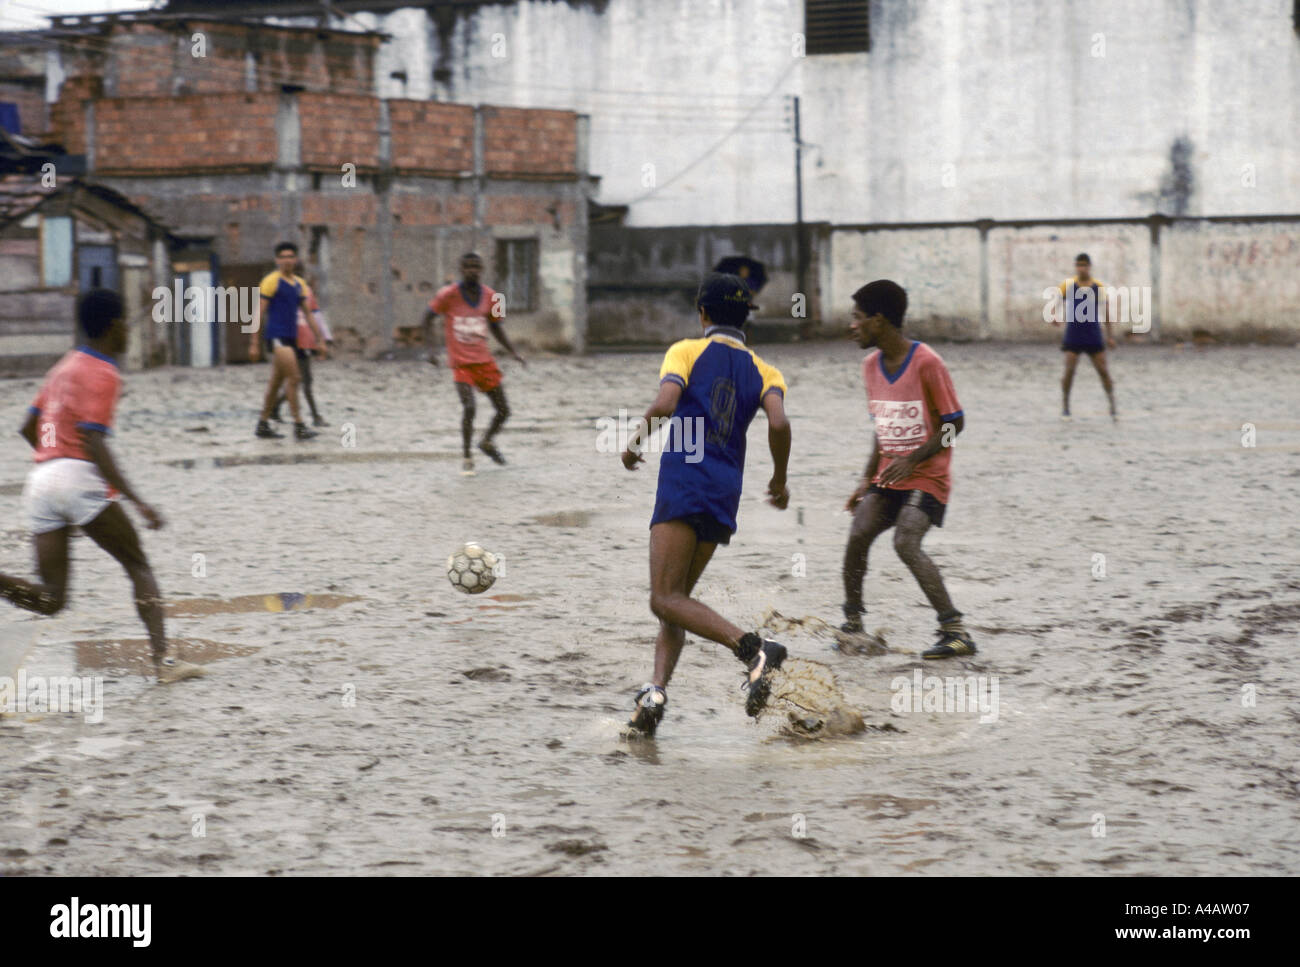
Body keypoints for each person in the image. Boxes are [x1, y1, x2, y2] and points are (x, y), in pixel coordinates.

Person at [0, 289, 204, 683]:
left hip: (41, 481)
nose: (129, 329)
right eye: (126, 321)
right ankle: (165, 663)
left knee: (51, 599)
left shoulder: (62, 367)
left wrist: (55, 465)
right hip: (77, 478)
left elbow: (29, 428)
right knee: (138, 564)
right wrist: (138, 501)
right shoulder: (106, 372)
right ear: (114, 327)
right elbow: (95, 444)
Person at [619, 272, 792, 737]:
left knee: (664, 596)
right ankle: (654, 694)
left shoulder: (686, 350)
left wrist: (635, 442)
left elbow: (665, 402)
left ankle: (752, 647)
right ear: (745, 320)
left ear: (703, 314)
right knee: (675, 601)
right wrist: (778, 479)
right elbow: (778, 422)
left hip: (684, 481)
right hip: (724, 489)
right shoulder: (765, 370)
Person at [841, 279, 977, 660]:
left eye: (857, 318)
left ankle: (955, 631)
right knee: (858, 534)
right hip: (888, 477)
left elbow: (955, 424)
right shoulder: (870, 366)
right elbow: (881, 428)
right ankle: (852, 625)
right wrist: (866, 480)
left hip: (927, 478)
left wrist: (913, 459)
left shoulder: (928, 363)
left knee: (905, 542)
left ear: (879, 320)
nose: (852, 326)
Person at [423, 252, 524, 476]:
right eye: (468, 266)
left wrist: (513, 352)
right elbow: (427, 318)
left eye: (476, 267)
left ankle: (486, 441)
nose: (472, 270)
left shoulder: (494, 296)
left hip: (484, 361)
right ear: (461, 269)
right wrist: (431, 351)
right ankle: (467, 457)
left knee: (504, 411)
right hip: (461, 363)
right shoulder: (447, 295)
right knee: (469, 407)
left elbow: (497, 326)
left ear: (482, 269)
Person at [251, 242, 326, 440]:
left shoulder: (299, 284)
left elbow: (309, 314)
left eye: (291, 256)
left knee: (276, 383)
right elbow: (259, 312)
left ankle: (262, 424)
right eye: (283, 257)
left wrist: (320, 339)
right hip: (276, 336)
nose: (287, 260)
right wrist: (254, 342)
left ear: (296, 259)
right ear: (277, 260)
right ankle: (299, 424)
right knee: (294, 378)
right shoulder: (271, 281)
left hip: (292, 337)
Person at [1055, 253, 1117, 421]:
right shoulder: (1068, 285)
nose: (1081, 268)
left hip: (1093, 334)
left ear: (1089, 267)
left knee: (1103, 371)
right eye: (1078, 265)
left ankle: (1112, 404)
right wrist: (1054, 315)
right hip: (1073, 334)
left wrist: (1110, 336)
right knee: (1069, 371)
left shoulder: (1098, 287)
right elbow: (1056, 302)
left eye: (1084, 265)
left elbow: (1107, 314)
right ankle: (1065, 406)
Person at [271, 285, 329, 427]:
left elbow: (315, 316)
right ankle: (315, 416)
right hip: (293, 342)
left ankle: (275, 407)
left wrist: (321, 339)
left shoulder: (306, 292)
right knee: (302, 380)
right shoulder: (285, 293)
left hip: (303, 341)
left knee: (299, 380)